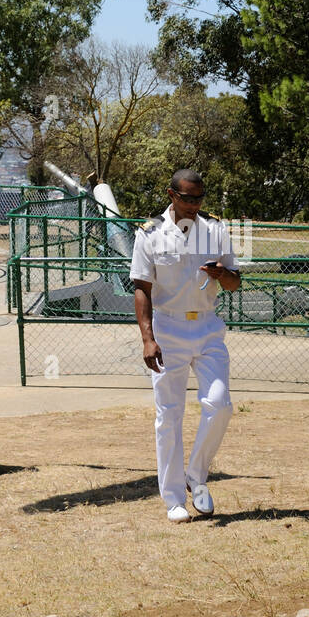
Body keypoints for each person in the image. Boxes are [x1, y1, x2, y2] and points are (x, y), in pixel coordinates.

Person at [130, 168, 242, 523]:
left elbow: (235, 283)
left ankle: (196, 474)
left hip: (208, 328)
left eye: (199, 199)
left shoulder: (216, 230)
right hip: (168, 328)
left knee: (220, 404)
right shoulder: (149, 234)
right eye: (188, 198)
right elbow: (142, 289)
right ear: (172, 194)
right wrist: (148, 339)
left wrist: (222, 274)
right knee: (169, 416)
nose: (194, 205)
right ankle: (174, 499)